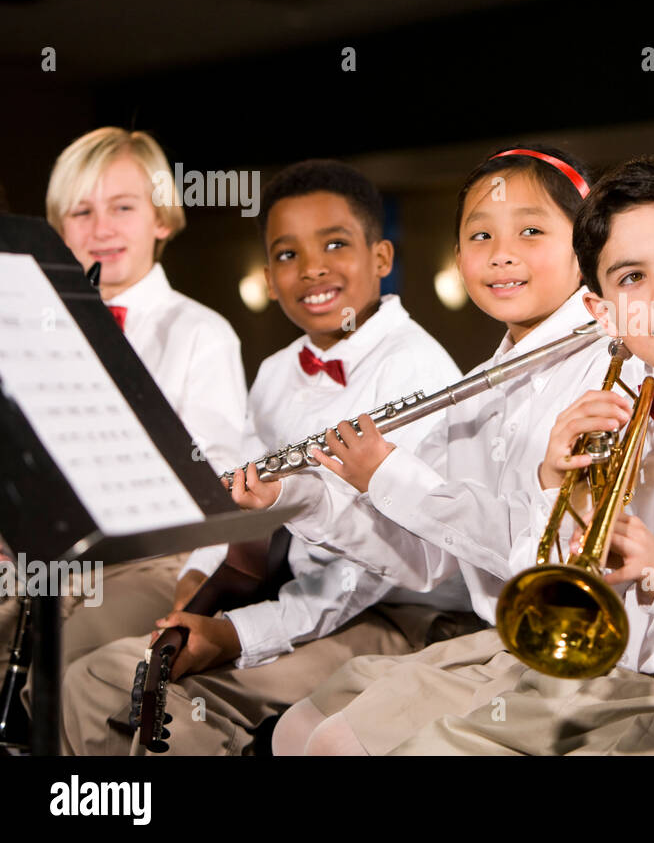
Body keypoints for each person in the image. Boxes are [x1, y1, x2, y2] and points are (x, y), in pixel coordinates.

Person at [275, 152, 654, 756]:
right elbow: (542, 575)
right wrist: (556, 485)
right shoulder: (614, 394)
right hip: (601, 676)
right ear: (603, 309)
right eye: (632, 277)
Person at [62, 159, 465, 755]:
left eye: (335, 244)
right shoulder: (277, 373)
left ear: (381, 258)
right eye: (286, 255)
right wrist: (197, 584)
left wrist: (234, 634)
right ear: (270, 279)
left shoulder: (418, 372)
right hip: (302, 601)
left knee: (153, 689)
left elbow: (380, 568)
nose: (312, 268)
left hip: (401, 618)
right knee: (92, 677)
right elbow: (237, 504)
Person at [0, 127, 247, 671]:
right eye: (81, 211)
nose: (101, 228)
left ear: (162, 218)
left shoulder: (201, 333)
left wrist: (196, 580)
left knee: (66, 660)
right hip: (44, 560)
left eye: (123, 207)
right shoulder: (28, 324)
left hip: (150, 563)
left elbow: (222, 475)